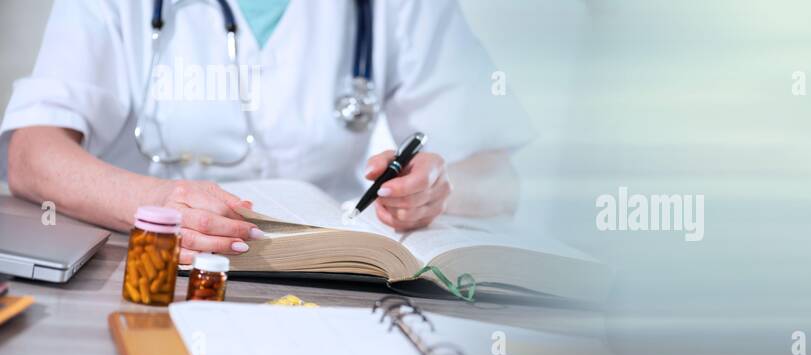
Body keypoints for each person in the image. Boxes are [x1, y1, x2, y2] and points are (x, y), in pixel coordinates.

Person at [1, 0, 532, 263]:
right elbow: (31, 154)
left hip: (328, 283)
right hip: (151, 267)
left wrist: (438, 189)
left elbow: (501, 179)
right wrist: (161, 202)